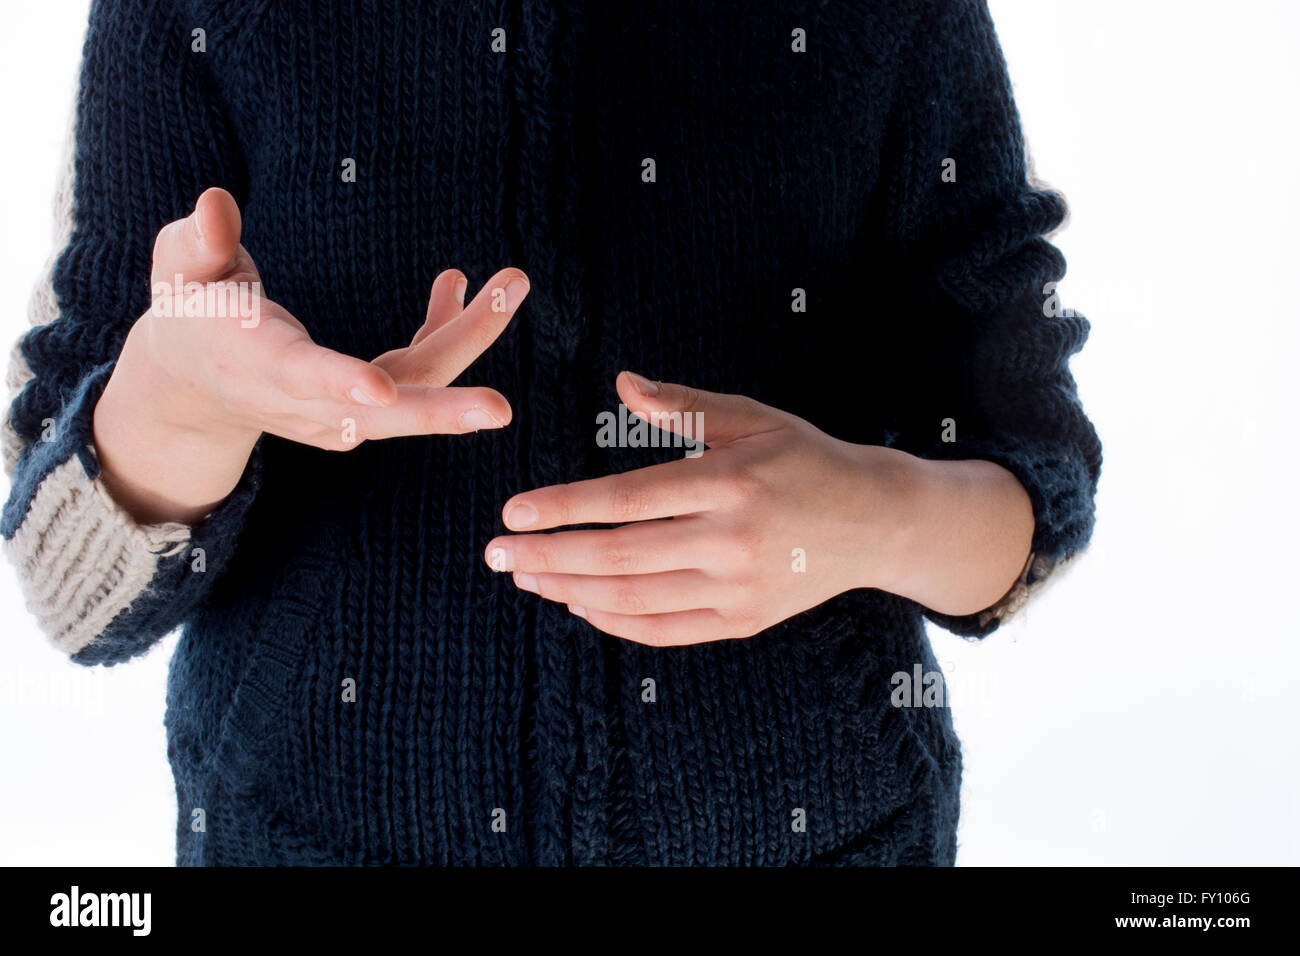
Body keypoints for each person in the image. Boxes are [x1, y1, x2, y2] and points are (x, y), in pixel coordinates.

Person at [2, 0, 1101, 865]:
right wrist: (178, 405)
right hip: (299, 839)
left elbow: (1026, 457)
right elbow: (66, 583)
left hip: (831, 836)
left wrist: (866, 518)